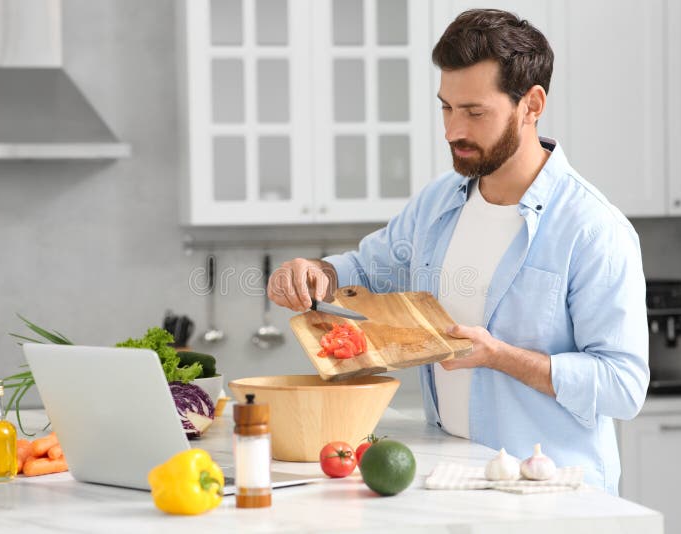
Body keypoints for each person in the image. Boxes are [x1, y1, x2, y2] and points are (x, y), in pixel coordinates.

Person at [267, 8, 648, 495]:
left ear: (531, 105)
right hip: (455, 477)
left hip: (555, 495)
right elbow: (366, 269)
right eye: (447, 107)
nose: (452, 130)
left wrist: (499, 356)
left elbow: (623, 386)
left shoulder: (593, 229)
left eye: (474, 112)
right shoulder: (439, 202)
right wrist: (315, 272)